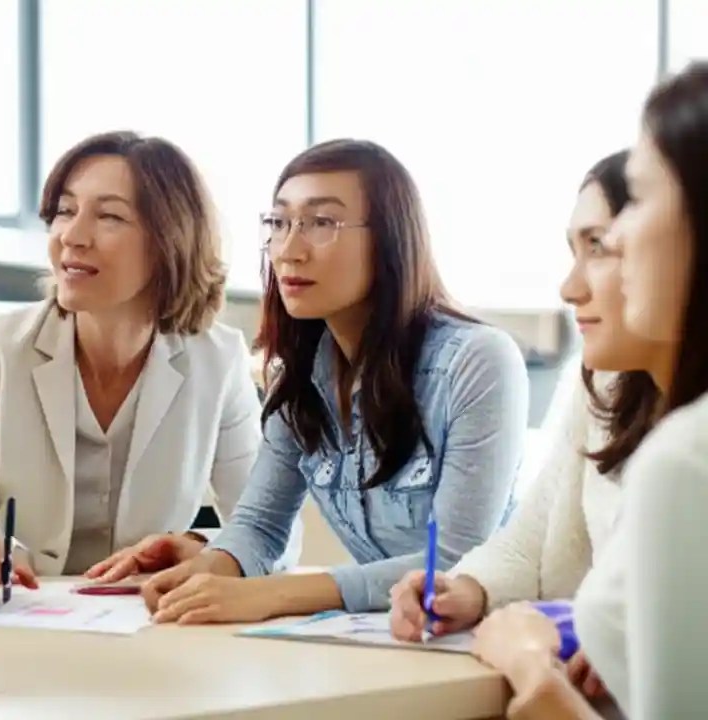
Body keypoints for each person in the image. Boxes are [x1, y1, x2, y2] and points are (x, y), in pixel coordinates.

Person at [135, 139, 529, 624]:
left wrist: (275, 595)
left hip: (486, 639)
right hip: (386, 640)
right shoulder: (301, 375)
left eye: (321, 223)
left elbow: (453, 560)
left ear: (389, 239)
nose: (289, 250)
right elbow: (259, 525)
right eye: (279, 223)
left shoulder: (478, 361)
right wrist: (207, 572)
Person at [0, 130, 301, 589]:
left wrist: (209, 551)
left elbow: (276, 533)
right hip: (19, 615)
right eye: (64, 212)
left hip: (147, 621)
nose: (72, 236)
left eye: (109, 217)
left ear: (169, 241)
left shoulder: (218, 358)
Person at [472, 61, 708, 719]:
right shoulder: (624, 406)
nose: (623, 241)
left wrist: (531, 669)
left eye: (644, 198)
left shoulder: (689, 458)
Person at [388, 151, 664, 702]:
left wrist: (617, 637)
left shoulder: (687, 451)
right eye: (574, 249)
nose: (569, 287)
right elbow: (538, 533)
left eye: (599, 247)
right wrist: (469, 589)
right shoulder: (603, 383)